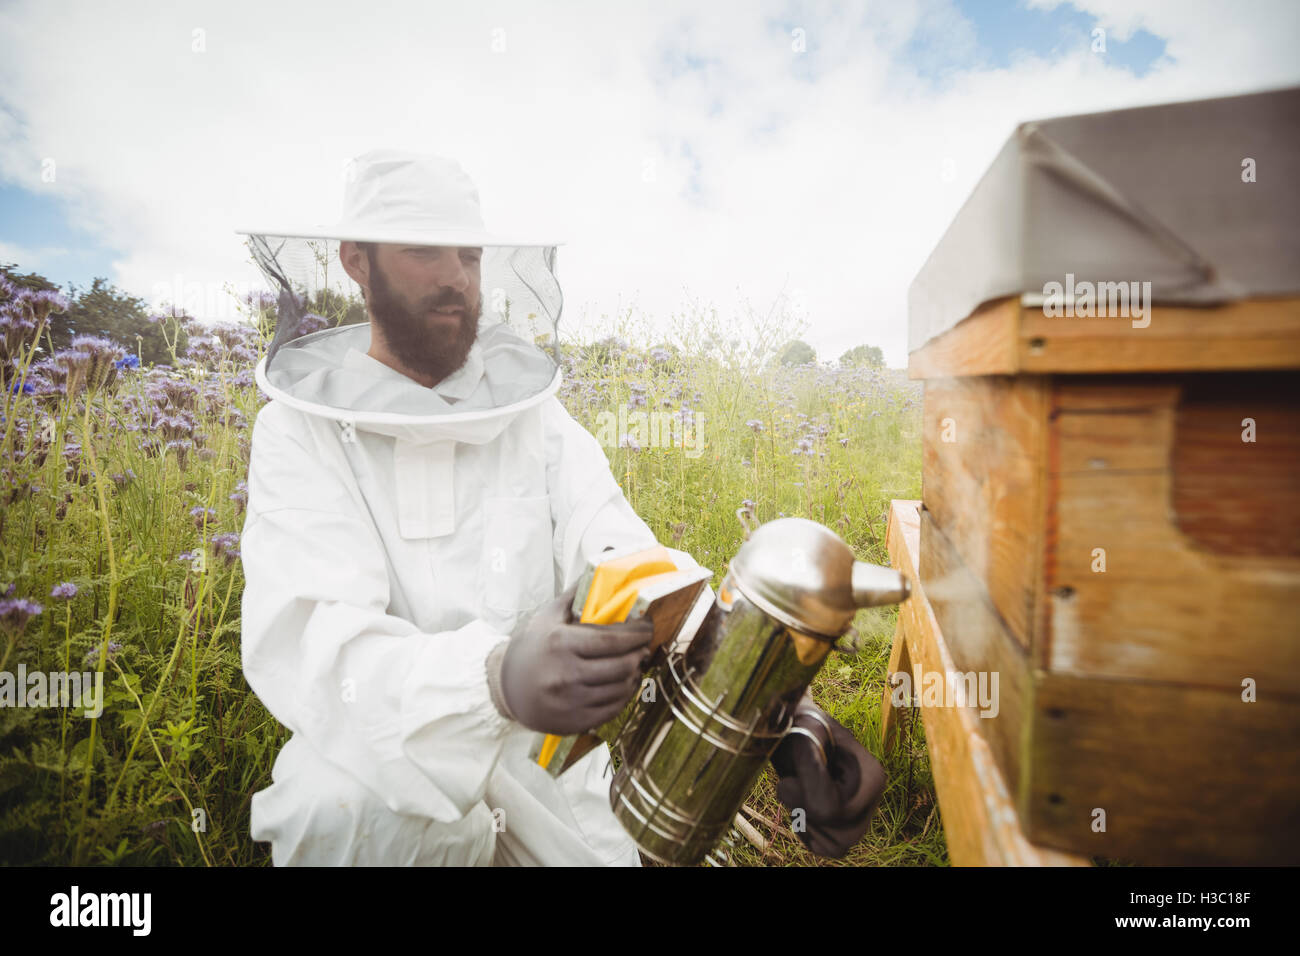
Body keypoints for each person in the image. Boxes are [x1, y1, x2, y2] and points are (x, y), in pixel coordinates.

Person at [236, 150, 880, 866]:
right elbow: (315, 643)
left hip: (549, 776)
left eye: (470, 255)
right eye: (425, 250)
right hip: (374, 767)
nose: (455, 277)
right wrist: (494, 681)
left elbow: (631, 567)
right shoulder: (300, 432)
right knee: (349, 813)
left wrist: (776, 705)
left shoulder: (532, 420)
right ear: (357, 261)